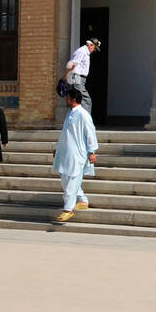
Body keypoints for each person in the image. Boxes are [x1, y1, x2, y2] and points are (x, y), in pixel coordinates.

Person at [51, 88, 98, 221]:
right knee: (65, 178)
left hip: (78, 154)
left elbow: (90, 133)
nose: (65, 99)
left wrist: (92, 151)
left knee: (72, 181)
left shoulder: (83, 114)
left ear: (73, 99)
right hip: (66, 152)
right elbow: (65, 134)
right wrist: (58, 148)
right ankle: (82, 200)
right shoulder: (69, 113)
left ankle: (68, 209)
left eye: (67, 97)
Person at [62, 38, 100, 115]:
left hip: (77, 78)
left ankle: (77, 120)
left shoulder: (84, 52)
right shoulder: (82, 51)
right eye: (94, 48)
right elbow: (72, 64)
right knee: (86, 100)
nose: (94, 51)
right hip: (76, 78)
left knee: (76, 100)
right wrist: (65, 75)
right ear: (91, 45)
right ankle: (86, 122)